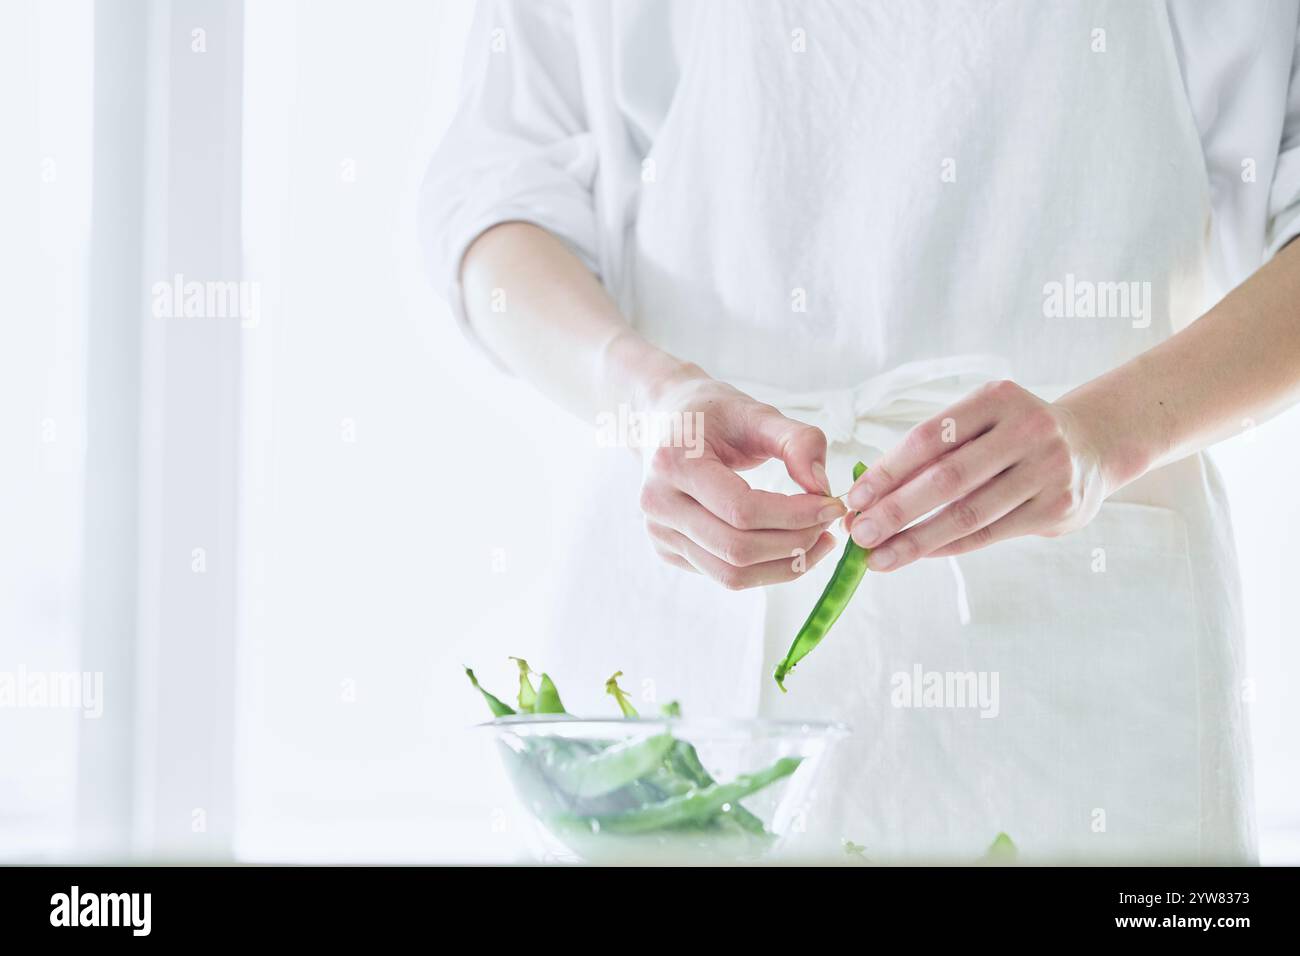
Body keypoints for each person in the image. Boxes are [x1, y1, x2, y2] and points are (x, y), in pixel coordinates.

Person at [421, 0, 1300, 862]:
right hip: (689, 591)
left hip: (1083, 655)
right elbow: (498, 190)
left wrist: (1104, 434)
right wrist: (652, 400)